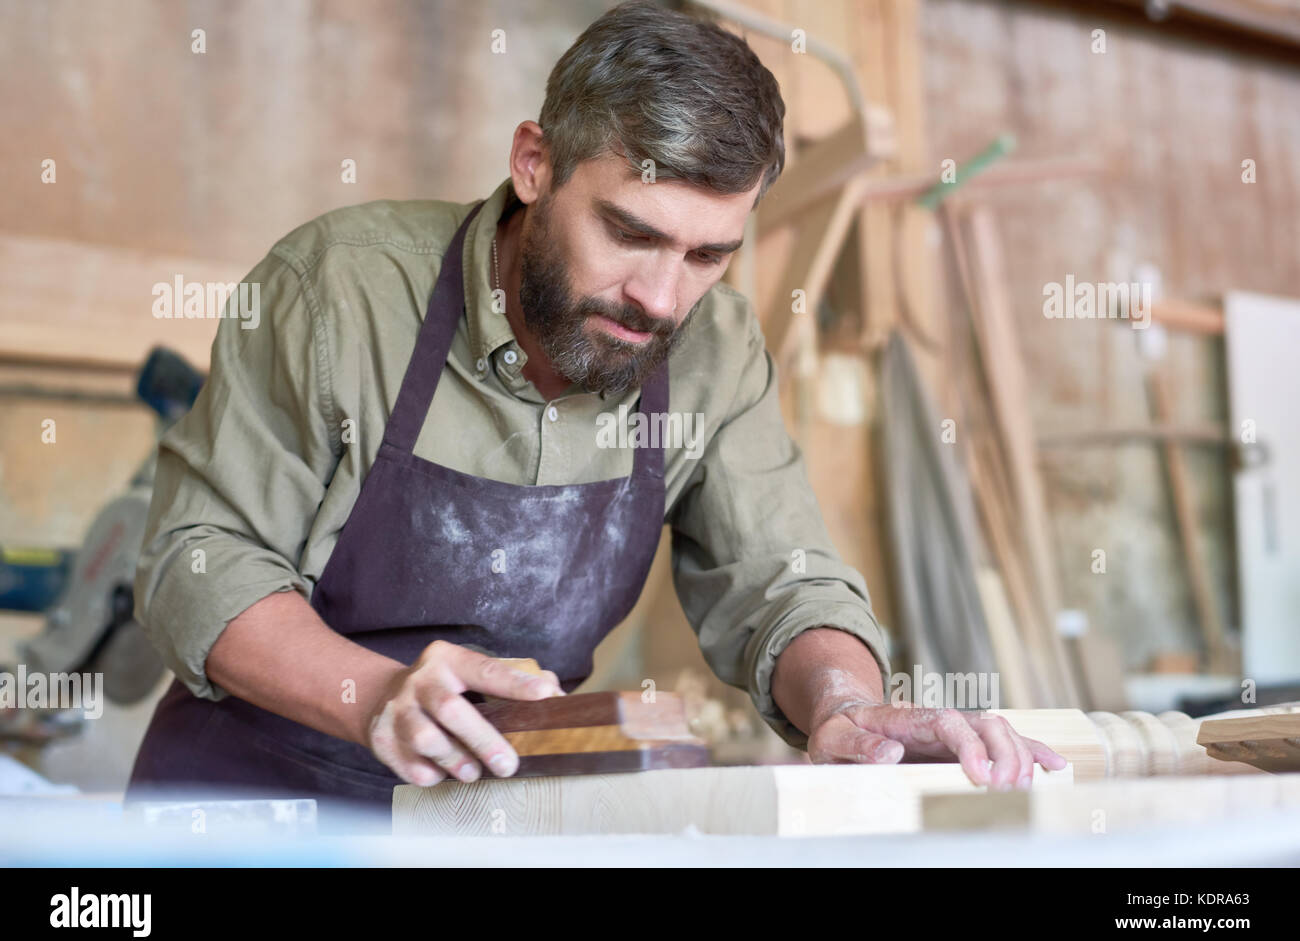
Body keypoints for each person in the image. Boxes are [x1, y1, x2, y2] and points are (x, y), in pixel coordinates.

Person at [127, 0, 1063, 832]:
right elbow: (195, 559)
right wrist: (377, 695)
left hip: (489, 818)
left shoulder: (716, 349)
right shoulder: (339, 289)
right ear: (535, 164)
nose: (660, 298)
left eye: (707, 255)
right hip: (253, 811)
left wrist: (845, 700)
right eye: (631, 233)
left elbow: (783, 581)